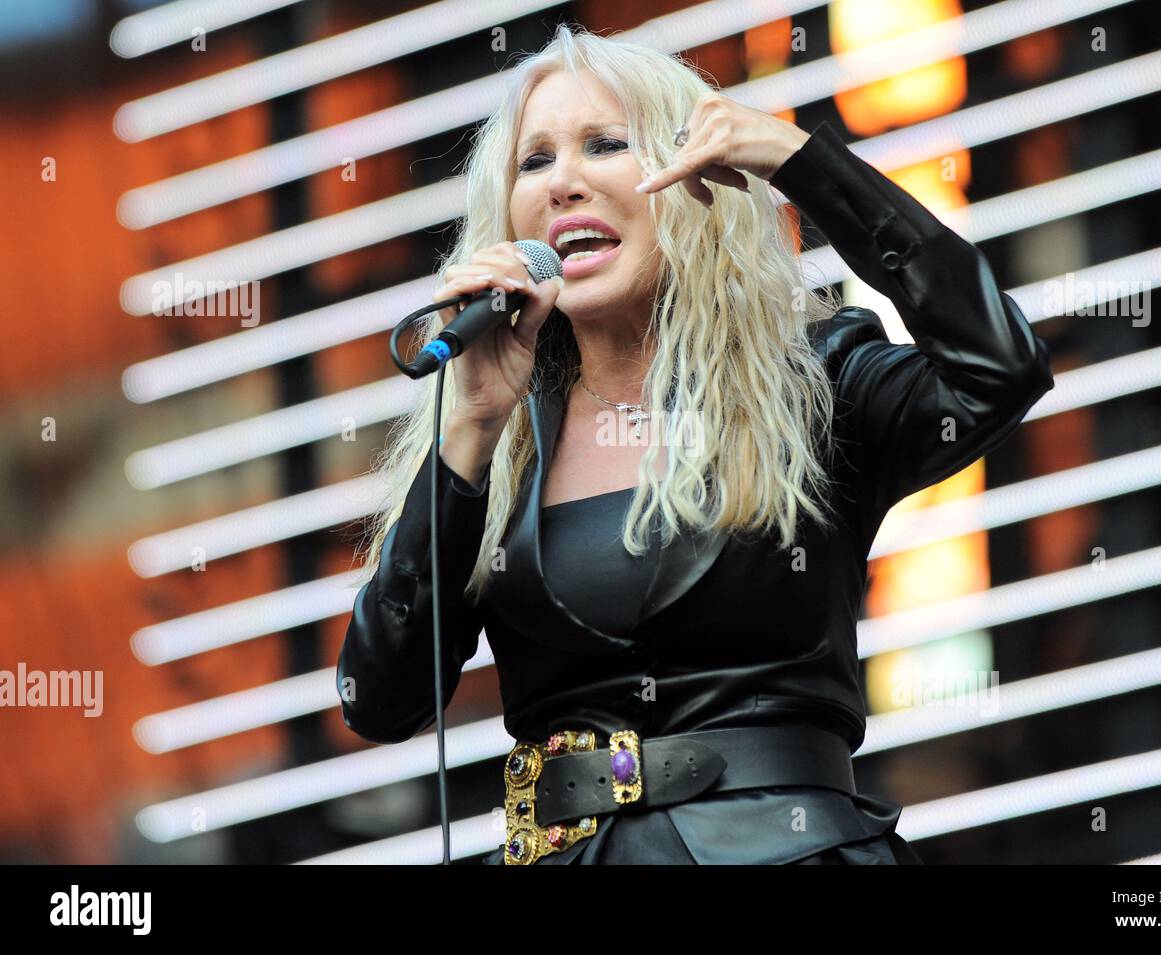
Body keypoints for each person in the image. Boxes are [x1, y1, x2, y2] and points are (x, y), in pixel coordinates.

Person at [337, 24, 1054, 865]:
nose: (565, 180)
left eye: (605, 144)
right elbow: (379, 698)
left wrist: (805, 164)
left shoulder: (815, 385)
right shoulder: (496, 436)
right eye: (535, 162)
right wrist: (468, 432)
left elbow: (998, 368)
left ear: (694, 179)